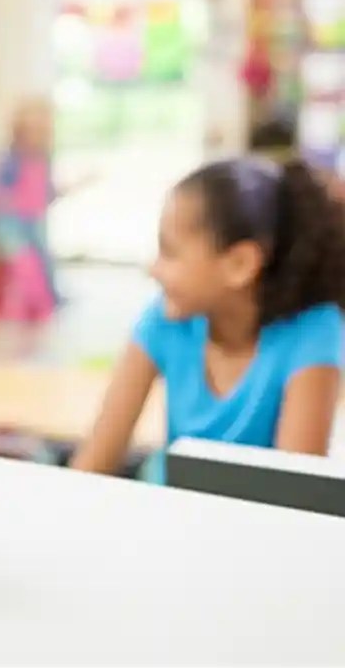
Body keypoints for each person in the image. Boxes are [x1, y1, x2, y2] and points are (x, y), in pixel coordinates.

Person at [71, 159, 345, 482]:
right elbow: (94, 463)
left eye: (170, 252)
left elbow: (294, 492)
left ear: (240, 264)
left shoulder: (313, 333)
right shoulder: (163, 320)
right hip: (169, 511)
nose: (153, 270)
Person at [0, 98, 60, 323]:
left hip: (36, 225)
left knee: (44, 265)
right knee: (26, 267)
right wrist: (13, 203)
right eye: (31, 131)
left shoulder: (43, 160)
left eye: (41, 131)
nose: (36, 137)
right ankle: (30, 312)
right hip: (11, 227)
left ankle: (46, 310)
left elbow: (47, 194)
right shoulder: (9, 161)